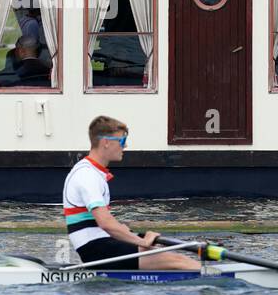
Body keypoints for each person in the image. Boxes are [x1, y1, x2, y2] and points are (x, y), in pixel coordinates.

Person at [63, 116, 201, 271]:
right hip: (97, 249)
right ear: (106, 142)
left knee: (167, 254)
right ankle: (212, 278)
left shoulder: (91, 171)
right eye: (122, 141)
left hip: (102, 244)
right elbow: (106, 223)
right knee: (179, 262)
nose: (125, 145)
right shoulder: (87, 175)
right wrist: (141, 242)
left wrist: (136, 238)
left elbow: (106, 224)